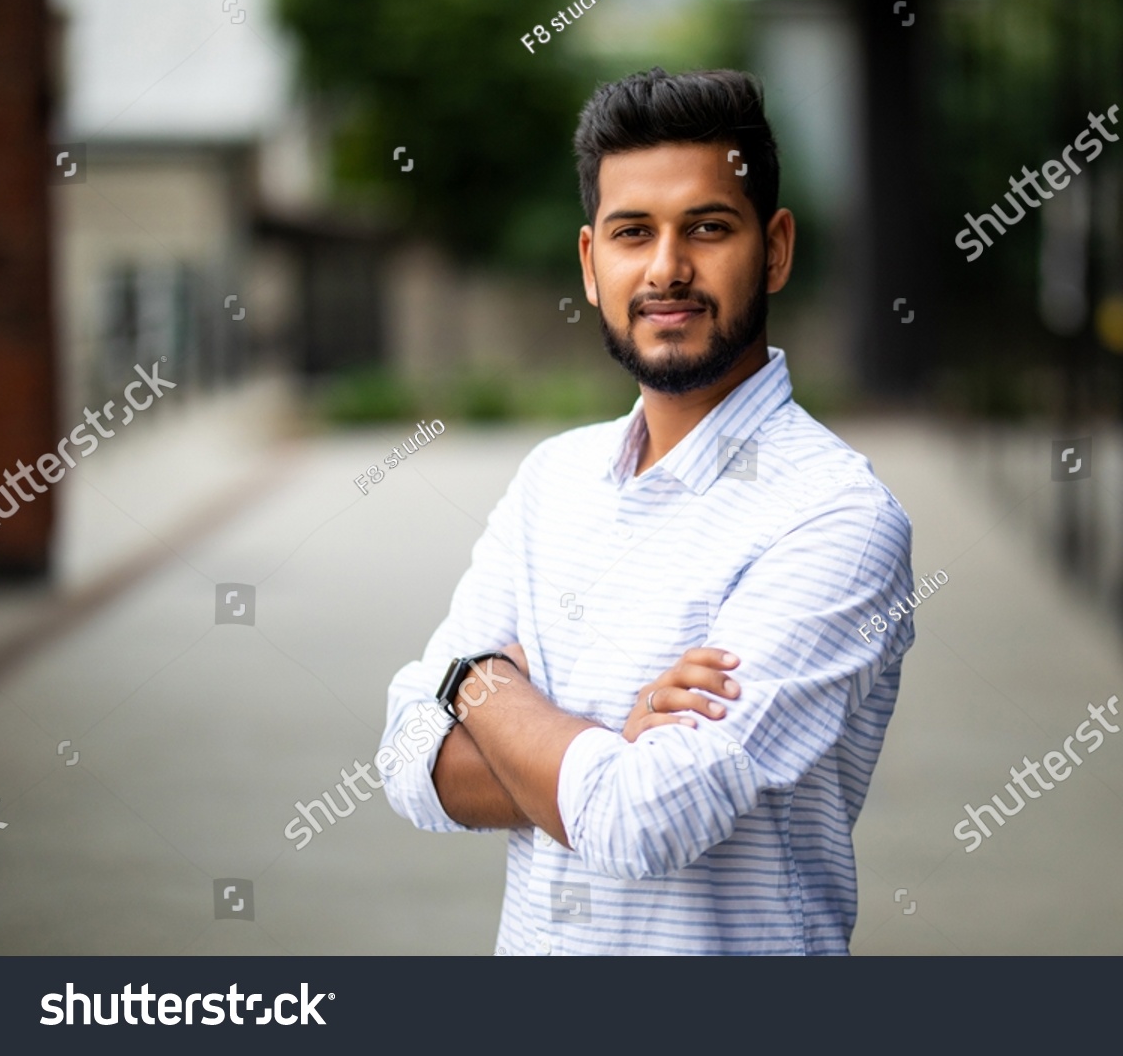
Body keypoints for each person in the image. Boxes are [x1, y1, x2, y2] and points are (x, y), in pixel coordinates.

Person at [381, 67, 916, 955]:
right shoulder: (552, 480)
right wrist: (604, 742)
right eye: (634, 232)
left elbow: (643, 820)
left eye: (707, 227)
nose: (667, 268)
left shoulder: (838, 517)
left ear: (775, 248)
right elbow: (406, 762)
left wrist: (475, 682)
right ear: (593, 265)